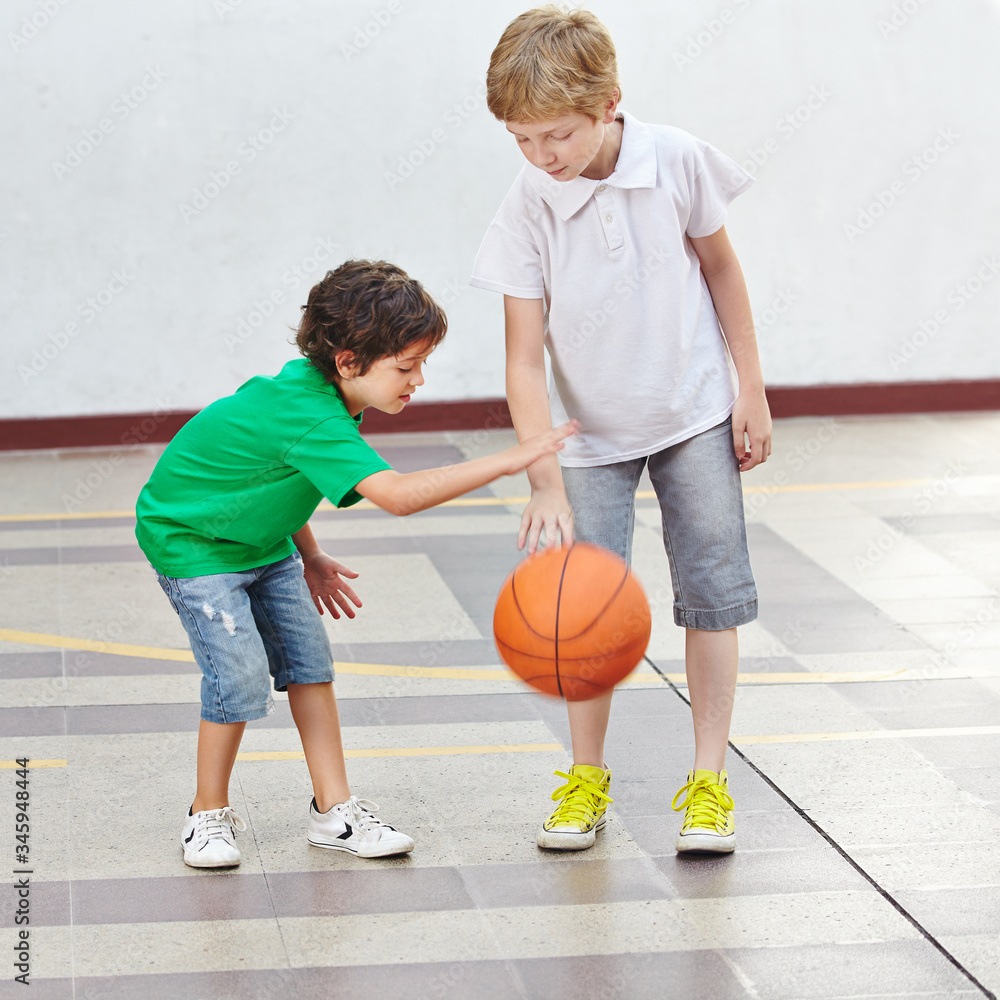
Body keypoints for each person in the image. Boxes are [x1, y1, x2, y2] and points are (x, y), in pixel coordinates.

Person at [135, 259, 577, 868]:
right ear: (347, 361)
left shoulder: (328, 398)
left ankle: (333, 812)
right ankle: (206, 813)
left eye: (422, 363)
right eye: (407, 366)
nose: (419, 379)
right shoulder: (311, 412)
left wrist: (309, 552)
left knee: (309, 666)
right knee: (236, 679)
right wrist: (511, 459)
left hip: (264, 543)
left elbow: (269, 481)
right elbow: (398, 496)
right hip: (193, 544)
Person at [470, 7, 772, 854]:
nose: (541, 157)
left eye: (556, 136)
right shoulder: (528, 202)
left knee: (712, 594)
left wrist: (750, 388)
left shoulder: (674, 158)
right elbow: (524, 359)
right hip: (586, 439)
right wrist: (542, 473)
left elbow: (721, 269)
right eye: (521, 140)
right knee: (585, 612)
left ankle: (709, 781)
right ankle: (586, 777)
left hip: (694, 413)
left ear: (609, 104)